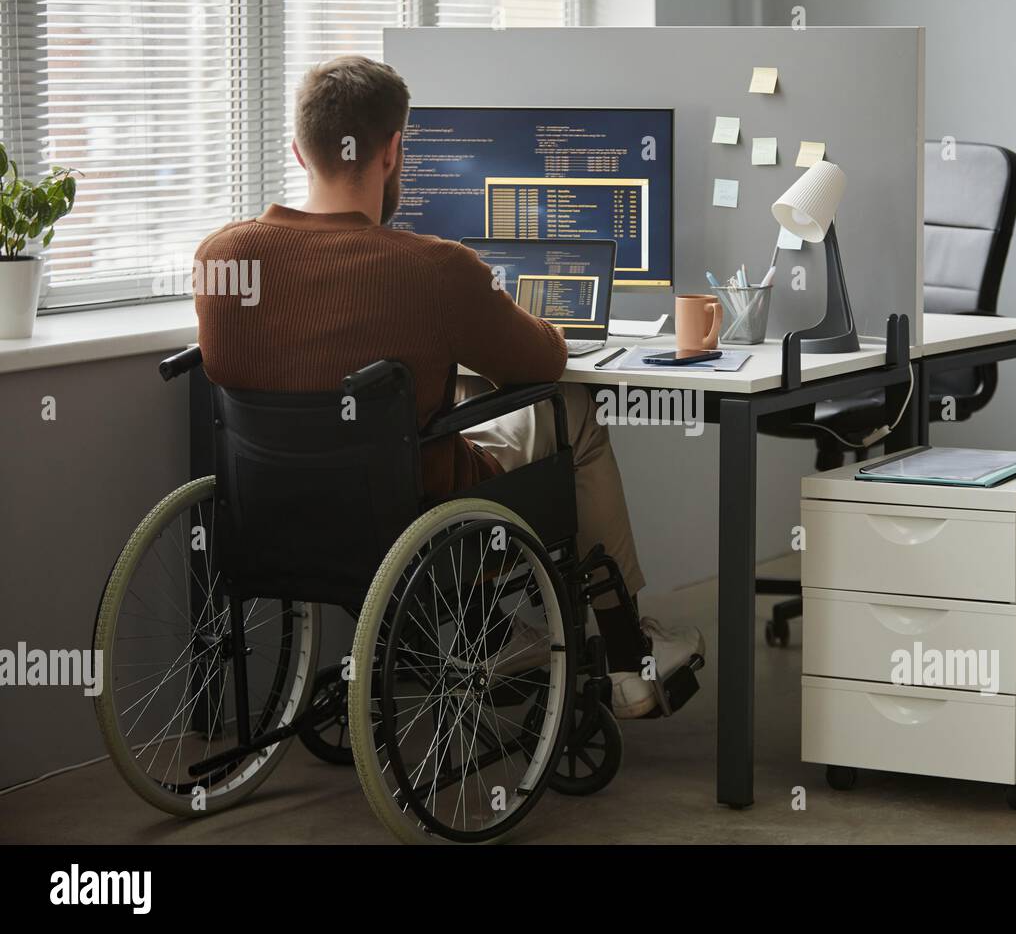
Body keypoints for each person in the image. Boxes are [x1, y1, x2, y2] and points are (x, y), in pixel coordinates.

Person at [193, 55, 701, 719]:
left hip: (270, 520)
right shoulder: (434, 268)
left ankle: (493, 635)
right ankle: (628, 650)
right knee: (572, 406)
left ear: (297, 149)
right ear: (395, 150)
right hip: (413, 519)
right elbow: (542, 362)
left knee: (441, 405)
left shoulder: (222, 257)